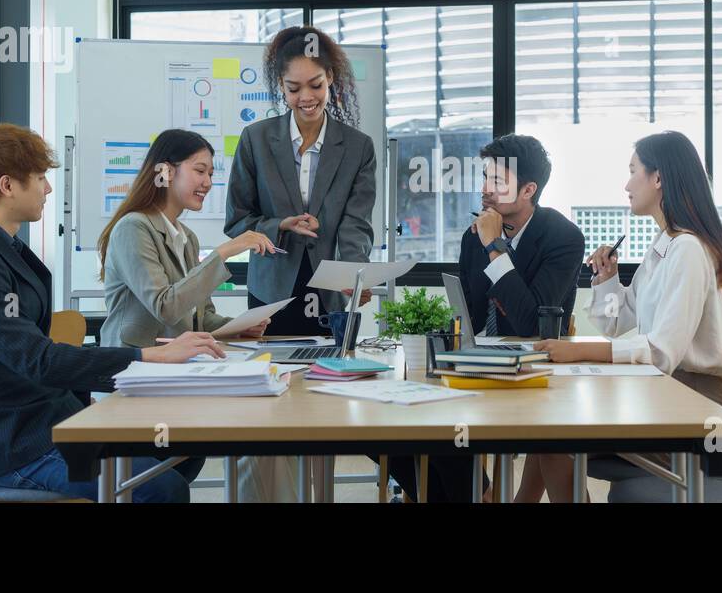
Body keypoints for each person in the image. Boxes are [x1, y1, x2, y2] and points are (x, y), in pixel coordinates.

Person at [0, 123, 223, 503]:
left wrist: (87, 404)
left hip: (49, 419)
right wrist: (150, 355)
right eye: (39, 178)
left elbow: (36, 354)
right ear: (7, 186)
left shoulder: (2, 249)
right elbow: (37, 359)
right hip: (18, 445)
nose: (48, 189)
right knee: (161, 487)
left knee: (185, 447)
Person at [521, 130, 722, 502]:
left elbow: (662, 352)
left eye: (632, 170)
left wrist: (581, 352)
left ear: (658, 178)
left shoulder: (687, 249)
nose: (626, 184)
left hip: (695, 410)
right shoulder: (665, 244)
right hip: (668, 395)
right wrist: (607, 280)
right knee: (548, 434)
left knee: (554, 439)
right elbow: (617, 322)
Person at [387, 134, 585, 502]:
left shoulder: (563, 237)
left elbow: (528, 323)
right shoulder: (471, 236)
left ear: (528, 189)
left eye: (498, 181)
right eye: (485, 178)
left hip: (534, 370)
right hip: (477, 367)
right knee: (399, 428)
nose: (485, 190)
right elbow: (470, 319)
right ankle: (482, 494)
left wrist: (496, 247)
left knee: (448, 442)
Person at [224, 26, 377, 336]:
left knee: (328, 377)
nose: (306, 98)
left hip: (329, 291)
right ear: (281, 85)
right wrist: (280, 225)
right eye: (294, 88)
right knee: (270, 377)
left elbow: (355, 224)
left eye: (315, 85)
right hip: (270, 291)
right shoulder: (256, 139)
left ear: (330, 78)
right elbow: (238, 219)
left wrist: (354, 274)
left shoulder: (358, 147)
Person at [99, 128, 276, 348]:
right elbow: (166, 308)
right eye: (200, 171)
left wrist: (239, 327)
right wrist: (223, 253)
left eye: (210, 174)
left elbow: (200, 319)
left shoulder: (187, 238)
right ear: (166, 171)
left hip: (177, 363)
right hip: (134, 366)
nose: (208, 183)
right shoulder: (133, 228)